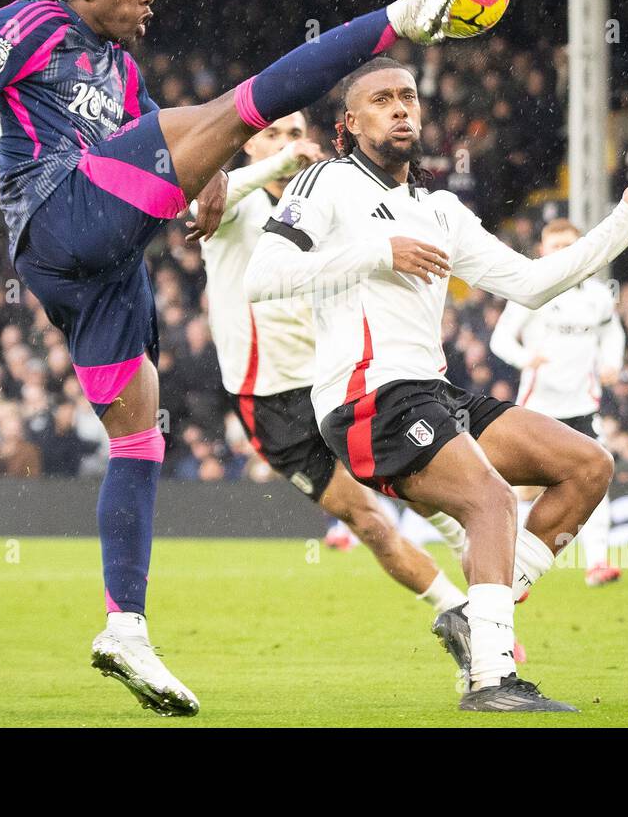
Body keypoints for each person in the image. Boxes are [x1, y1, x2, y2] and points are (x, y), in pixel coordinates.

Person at [0, 0, 495, 716]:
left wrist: (213, 171)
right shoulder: (34, 24)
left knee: (137, 434)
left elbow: (169, 135)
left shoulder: (121, 75)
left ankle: (126, 626)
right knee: (247, 103)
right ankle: (402, 14)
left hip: (101, 270)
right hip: (60, 213)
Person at [245, 58, 628, 711]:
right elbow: (264, 275)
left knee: (588, 464)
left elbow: (532, 284)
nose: (399, 108)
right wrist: (376, 251)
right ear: (349, 123)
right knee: (495, 503)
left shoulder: (441, 209)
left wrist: (627, 217)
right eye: (382, 100)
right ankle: (492, 679)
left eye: (408, 98)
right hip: (366, 400)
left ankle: (479, 620)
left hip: (433, 391)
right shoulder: (325, 182)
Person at [199, 110, 473, 664]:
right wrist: (283, 161)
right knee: (367, 519)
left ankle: (487, 610)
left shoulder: (326, 210)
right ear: (249, 147)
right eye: (270, 135)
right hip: (271, 397)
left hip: (341, 379)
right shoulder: (234, 207)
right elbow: (196, 208)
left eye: (295, 133)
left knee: (419, 489)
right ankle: (453, 608)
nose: (285, 143)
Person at [489, 218, 626, 587]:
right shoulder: (533, 290)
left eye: (569, 245)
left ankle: (597, 563)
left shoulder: (598, 295)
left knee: (597, 476)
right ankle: (510, 567)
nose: (563, 253)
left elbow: (613, 332)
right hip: (539, 406)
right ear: (543, 251)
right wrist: (524, 358)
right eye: (555, 247)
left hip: (581, 404)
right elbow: (500, 339)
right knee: (523, 489)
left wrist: (613, 361)